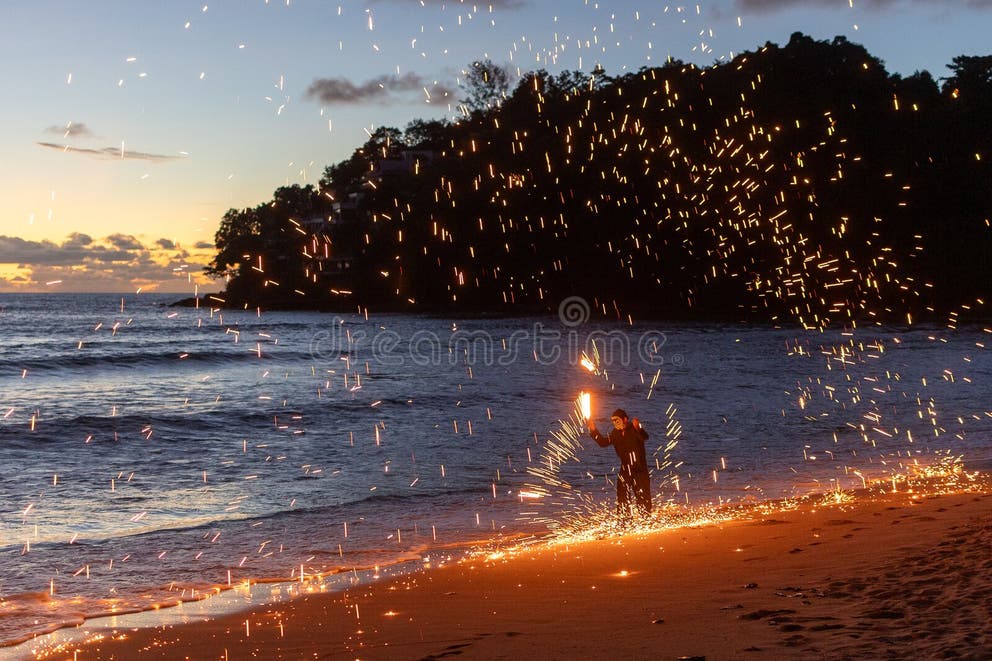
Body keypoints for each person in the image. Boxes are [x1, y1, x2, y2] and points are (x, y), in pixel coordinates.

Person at [588, 408, 651, 520]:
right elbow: (603, 443)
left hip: (639, 469)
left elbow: (645, 437)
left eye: (617, 420)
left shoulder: (634, 428)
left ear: (625, 419)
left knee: (642, 495)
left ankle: (645, 518)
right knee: (622, 494)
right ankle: (624, 520)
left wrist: (638, 427)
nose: (615, 422)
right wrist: (593, 430)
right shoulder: (615, 433)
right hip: (625, 468)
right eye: (613, 420)